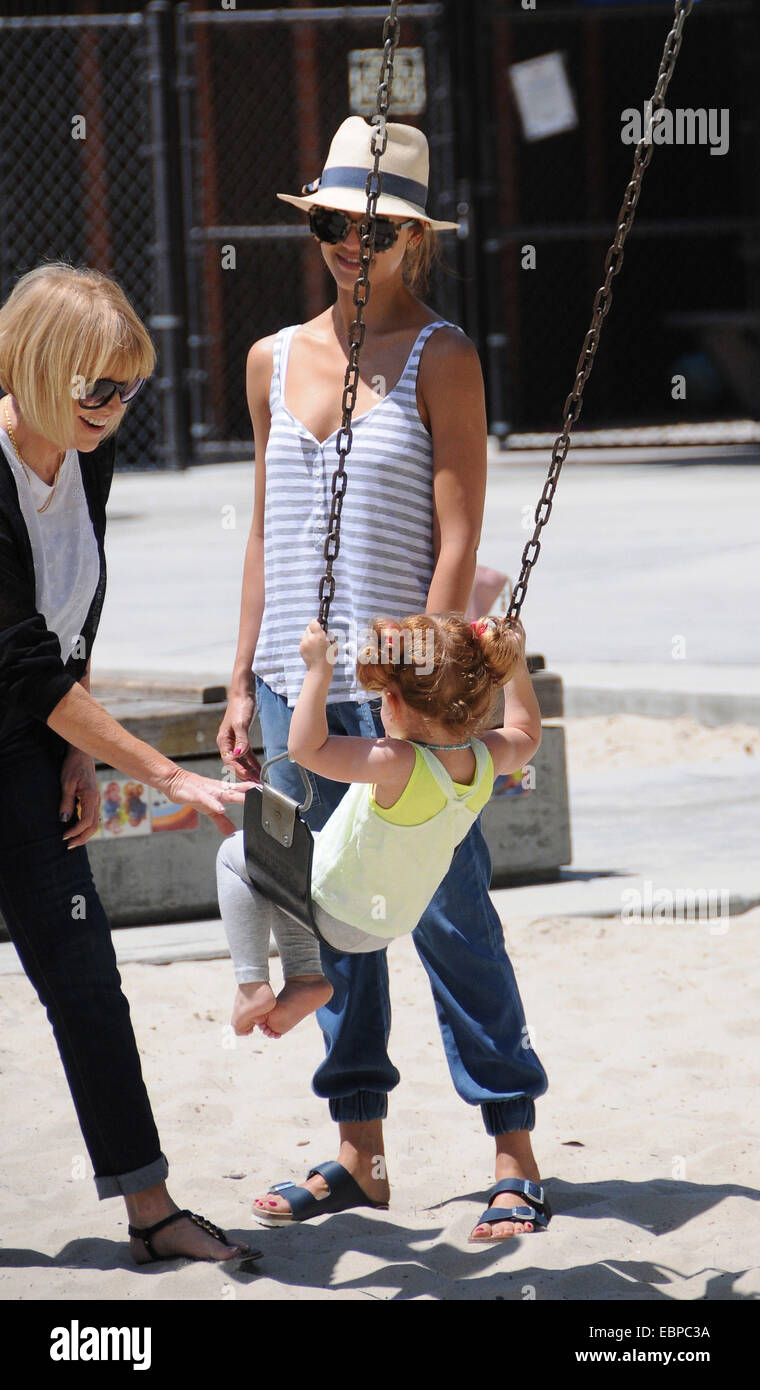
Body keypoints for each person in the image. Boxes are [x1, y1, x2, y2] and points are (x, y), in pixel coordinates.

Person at [217, 117, 551, 1242]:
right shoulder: (270, 356)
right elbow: (267, 532)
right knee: (319, 915)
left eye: (375, 227)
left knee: (450, 912)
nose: (350, 245)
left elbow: (459, 541)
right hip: (286, 682)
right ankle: (357, 1148)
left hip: (401, 684)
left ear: (412, 235)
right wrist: (236, 680)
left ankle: (511, 1137)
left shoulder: (443, 355)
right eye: (331, 224)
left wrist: (430, 664)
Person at [0, 263, 256, 1264]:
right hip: (19, 706)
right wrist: (170, 772)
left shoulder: (84, 453)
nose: (118, 407)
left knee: (85, 977)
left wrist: (79, 750)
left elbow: (72, 619)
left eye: (130, 388)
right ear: (42, 365)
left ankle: (150, 1209)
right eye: (101, 386)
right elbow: (18, 653)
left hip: (27, 742)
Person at [218, 611, 536, 1047]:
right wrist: (515, 666)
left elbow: (305, 749)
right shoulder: (486, 760)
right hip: (390, 923)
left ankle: (252, 982)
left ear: (395, 704)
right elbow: (526, 732)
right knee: (292, 876)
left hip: (334, 909)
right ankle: (307, 978)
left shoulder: (397, 762)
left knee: (239, 855)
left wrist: (317, 672)